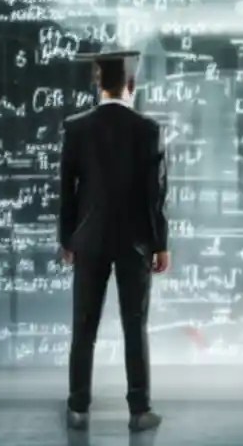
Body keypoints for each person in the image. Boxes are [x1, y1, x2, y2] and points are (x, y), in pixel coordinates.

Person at [58, 50, 169, 433]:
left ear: (97, 83)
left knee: (83, 327)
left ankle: (77, 408)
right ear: (131, 85)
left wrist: (66, 239)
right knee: (134, 326)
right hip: (135, 242)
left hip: (87, 240)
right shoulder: (148, 129)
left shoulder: (76, 127)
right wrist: (160, 243)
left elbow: (66, 191)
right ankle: (139, 410)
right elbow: (155, 195)